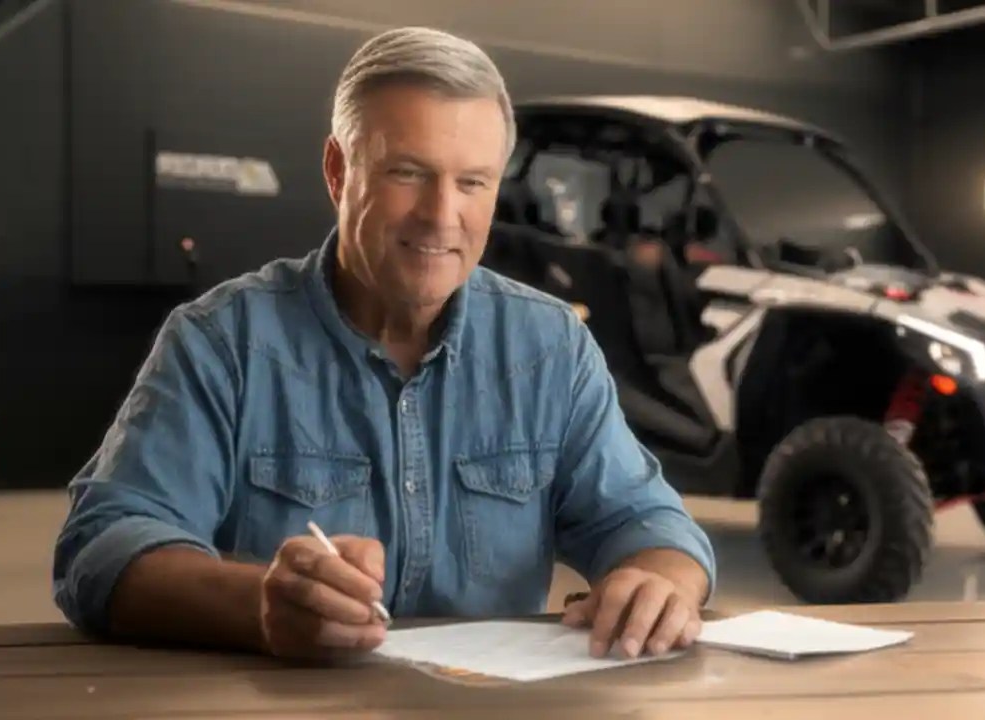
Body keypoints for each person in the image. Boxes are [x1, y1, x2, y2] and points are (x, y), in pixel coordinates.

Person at [52, 27, 716, 662]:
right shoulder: (223, 343)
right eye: (408, 173)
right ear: (339, 172)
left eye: (472, 182)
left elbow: (649, 523)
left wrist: (663, 582)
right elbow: (103, 548)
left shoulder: (550, 348)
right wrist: (258, 605)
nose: (441, 215)